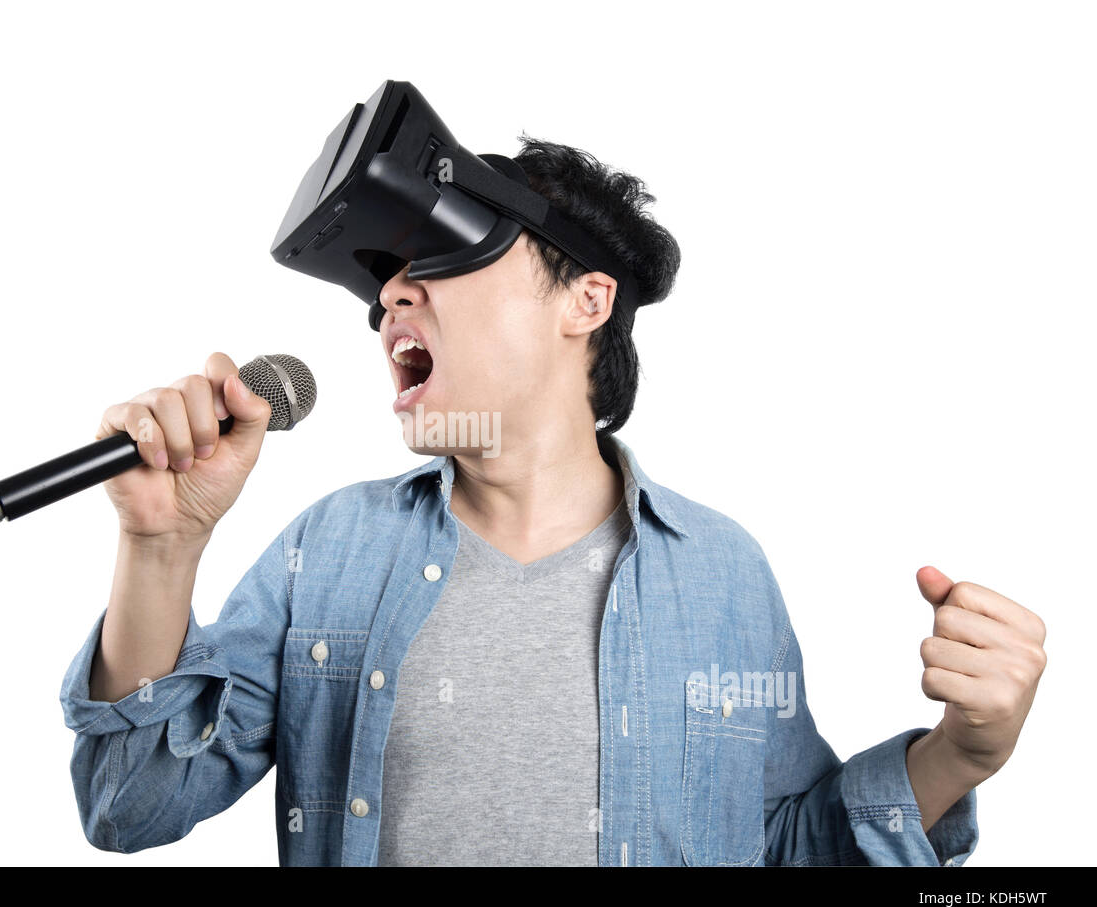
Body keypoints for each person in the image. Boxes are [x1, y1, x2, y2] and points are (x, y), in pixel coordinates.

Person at [60, 138, 1046, 866]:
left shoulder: (721, 572)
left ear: (587, 301)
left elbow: (792, 845)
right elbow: (129, 802)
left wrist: (957, 754)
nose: (393, 297)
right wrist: (161, 545)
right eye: (382, 288)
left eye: (441, 256)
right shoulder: (333, 549)